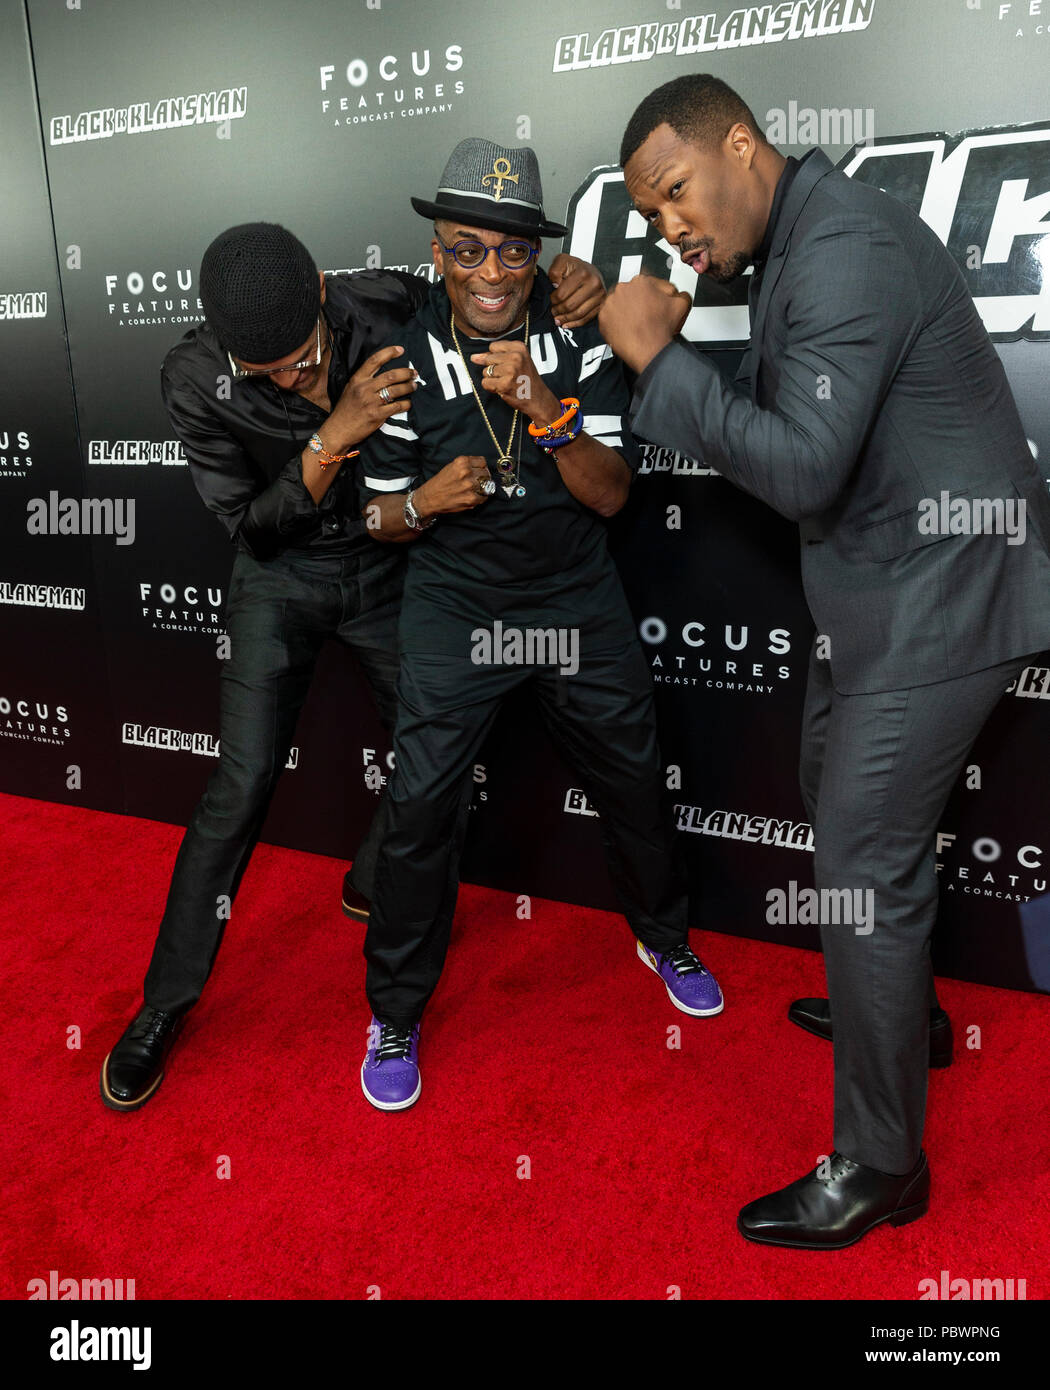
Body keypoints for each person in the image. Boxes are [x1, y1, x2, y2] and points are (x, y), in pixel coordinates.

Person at [599, 73, 1050, 1248]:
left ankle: (881, 1164)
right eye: (653, 216)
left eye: (678, 193)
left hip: (947, 596)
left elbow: (800, 469)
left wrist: (657, 358)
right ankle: (908, 1021)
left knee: (861, 849)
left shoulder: (843, 247)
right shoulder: (794, 246)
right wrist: (689, 338)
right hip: (879, 587)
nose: (672, 226)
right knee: (833, 798)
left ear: (740, 144)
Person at [100, 221, 603, 1112]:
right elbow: (252, 528)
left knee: (436, 765)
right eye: (270, 377)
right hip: (280, 583)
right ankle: (162, 1005)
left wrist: (562, 280)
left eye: (302, 360)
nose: (291, 379)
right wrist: (331, 437)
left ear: (326, 296)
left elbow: (485, 294)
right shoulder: (194, 376)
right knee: (241, 785)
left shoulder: (388, 304)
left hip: (388, 569)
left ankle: (376, 883)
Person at [354, 137, 724, 1113]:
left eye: (511, 251)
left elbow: (610, 498)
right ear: (435, 250)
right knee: (422, 807)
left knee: (635, 779)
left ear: (538, 256)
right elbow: (377, 517)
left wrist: (545, 409)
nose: (489, 272)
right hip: (456, 607)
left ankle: (663, 933)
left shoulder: (585, 332)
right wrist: (426, 501)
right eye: (466, 248)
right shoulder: (398, 360)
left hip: (571, 597)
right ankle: (395, 1008)